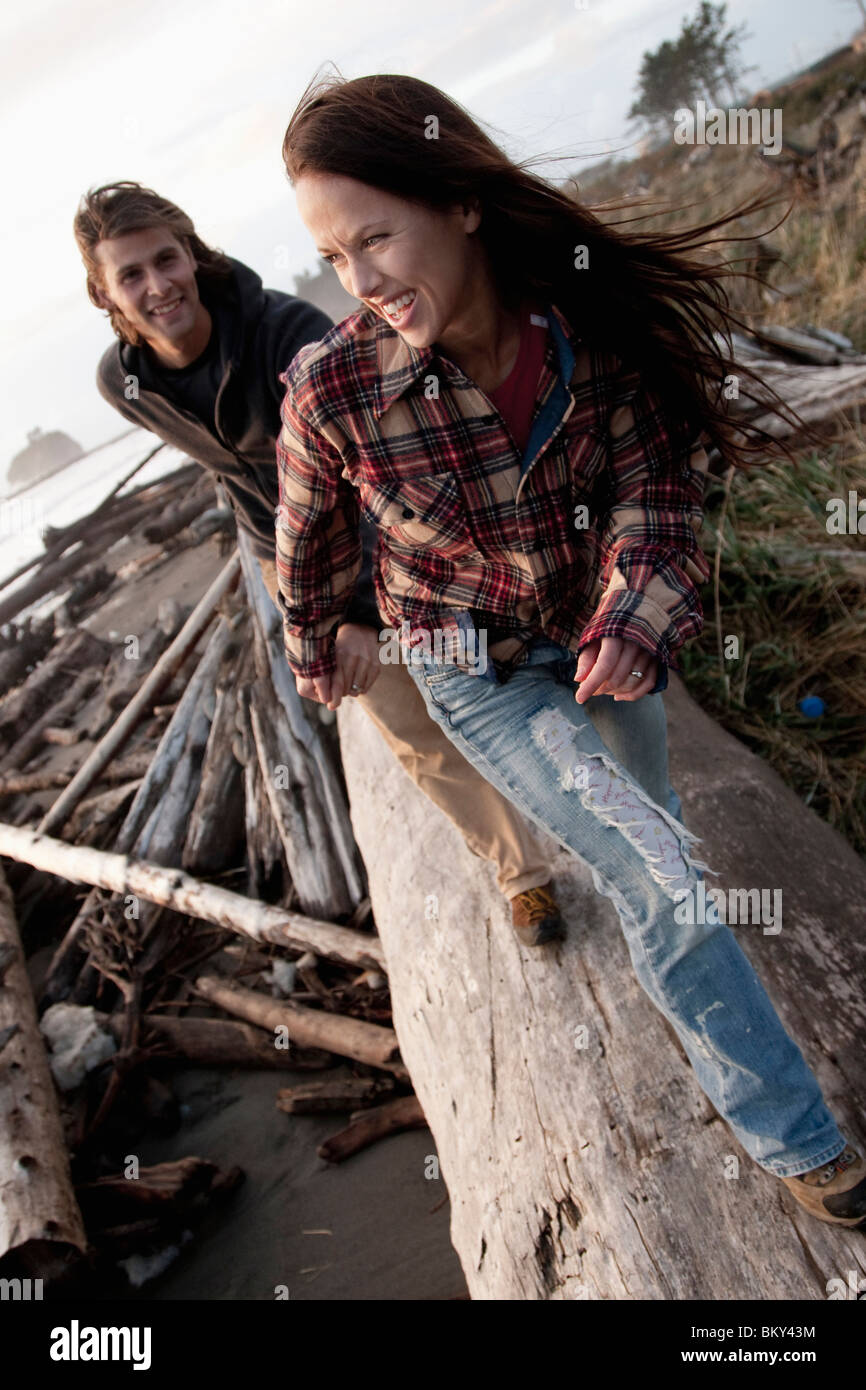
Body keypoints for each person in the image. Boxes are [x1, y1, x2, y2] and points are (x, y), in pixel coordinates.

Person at [273, 70, 865, 1227]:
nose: (362, 280)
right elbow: (305, 552)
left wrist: (634, 613)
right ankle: (792, 1134)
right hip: (475, 675)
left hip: (600, 637)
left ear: (459, 203)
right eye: (335, 259)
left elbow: (659, 482)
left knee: (657, 859)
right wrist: (323, 643)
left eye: (376, 238)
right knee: (658, 870)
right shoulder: (332, 389)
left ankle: (693, 986)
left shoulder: (586, 324)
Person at [73, 181, 563, 945]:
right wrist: (302, 607)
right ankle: (523, 875)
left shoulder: (287, 333)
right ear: (105, 295)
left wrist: (362, 611)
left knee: (497, 670)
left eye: (165, 259)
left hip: (390, 524)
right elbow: (232, 470)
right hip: (287, 558)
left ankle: (590, 801)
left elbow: (368, 469)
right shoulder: (124, 383)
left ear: (193, 256)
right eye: (129, 275)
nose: (156, 285)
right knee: (406, 723)